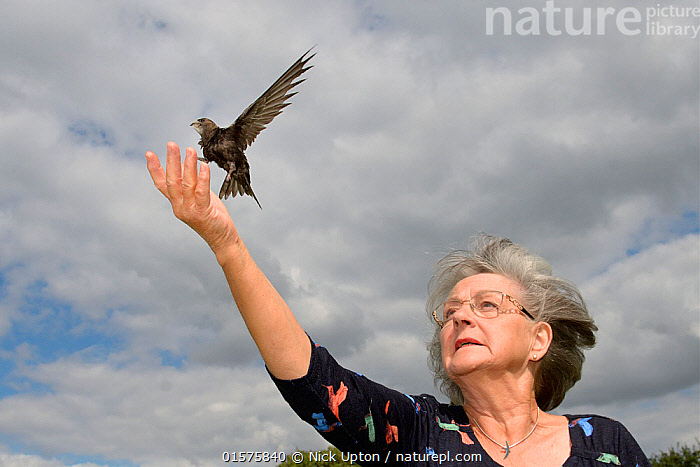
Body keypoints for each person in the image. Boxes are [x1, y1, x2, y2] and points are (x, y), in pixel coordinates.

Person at [146, 142, 652, 466]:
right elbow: (310, 378)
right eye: (450, 311)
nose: (460, 316)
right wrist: (227, 245)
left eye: (488, 305)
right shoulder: (416, 433)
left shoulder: (605, 445)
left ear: (540, 338)